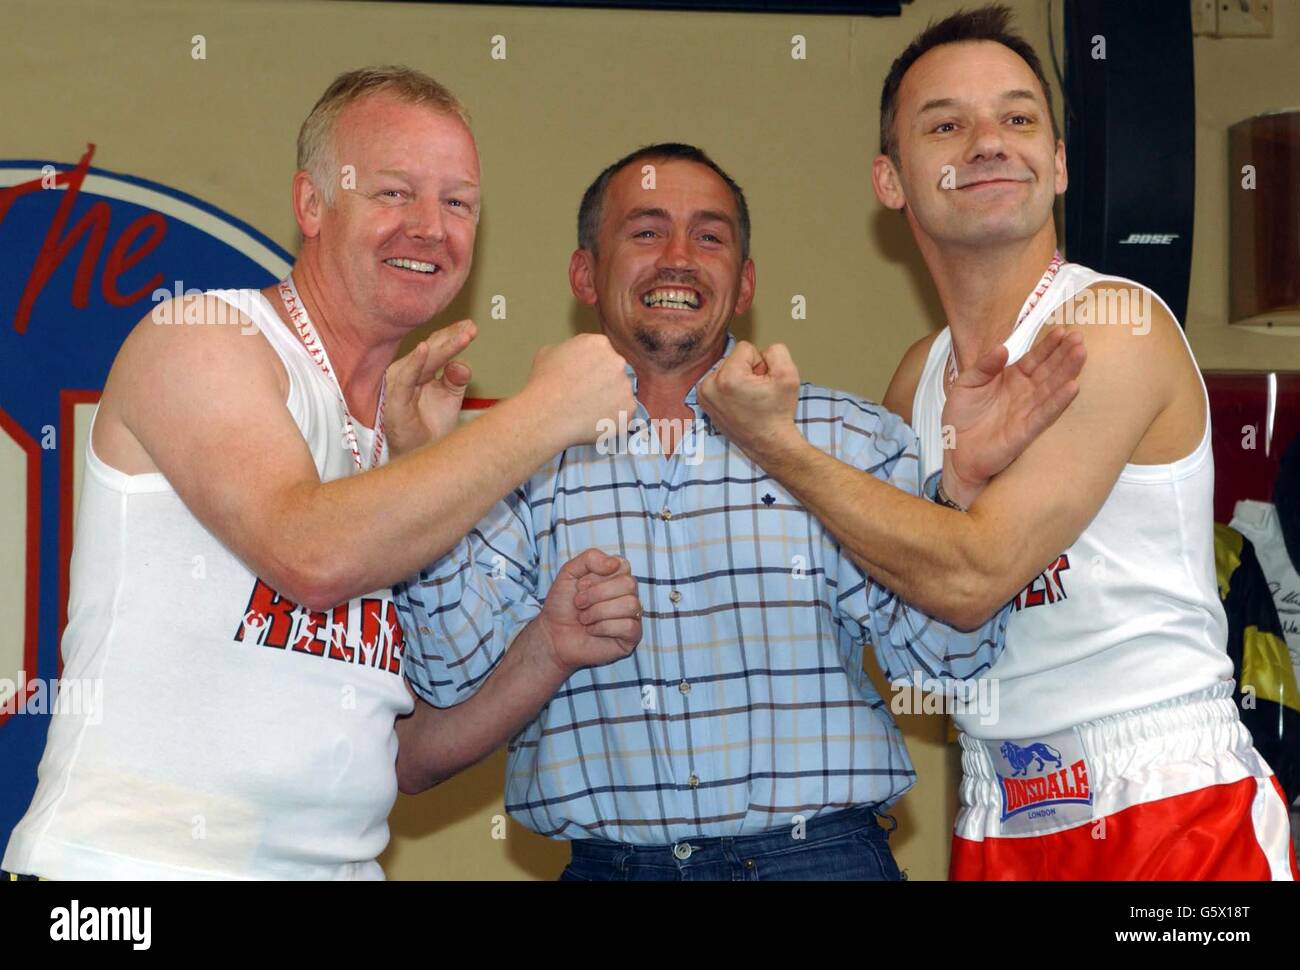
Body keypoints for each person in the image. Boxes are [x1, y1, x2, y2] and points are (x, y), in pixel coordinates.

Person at [698, 5, 1297, 880]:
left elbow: (973, 576)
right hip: (1000, 804)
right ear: (891, 179)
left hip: (1168, 806)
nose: (987, 142)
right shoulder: (916, 379)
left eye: (1018, 118)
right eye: (946, 124)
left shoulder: (1113, 325)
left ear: (1057, 164)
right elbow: (914, 648)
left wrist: (778, 448)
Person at [2, 66, 642, 880]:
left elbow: (402, 760)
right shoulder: (205, 339)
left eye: (458, 203)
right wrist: (545, 411)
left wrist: (547, 650)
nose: (430, 227)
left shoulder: (400, 443)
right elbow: (308, 551)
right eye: (393, 193)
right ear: (311, 204)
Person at [395, 141, 1084, 881]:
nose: (680, 258)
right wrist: (422, 474)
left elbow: (947, 671)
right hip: (610, 868)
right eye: (647, 231)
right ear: (585, 273)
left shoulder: (847, 438)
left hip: (821, 862)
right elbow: (451, 684)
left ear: (745, 281)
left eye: (711, 236)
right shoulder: (513, 458)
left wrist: (963, 492)